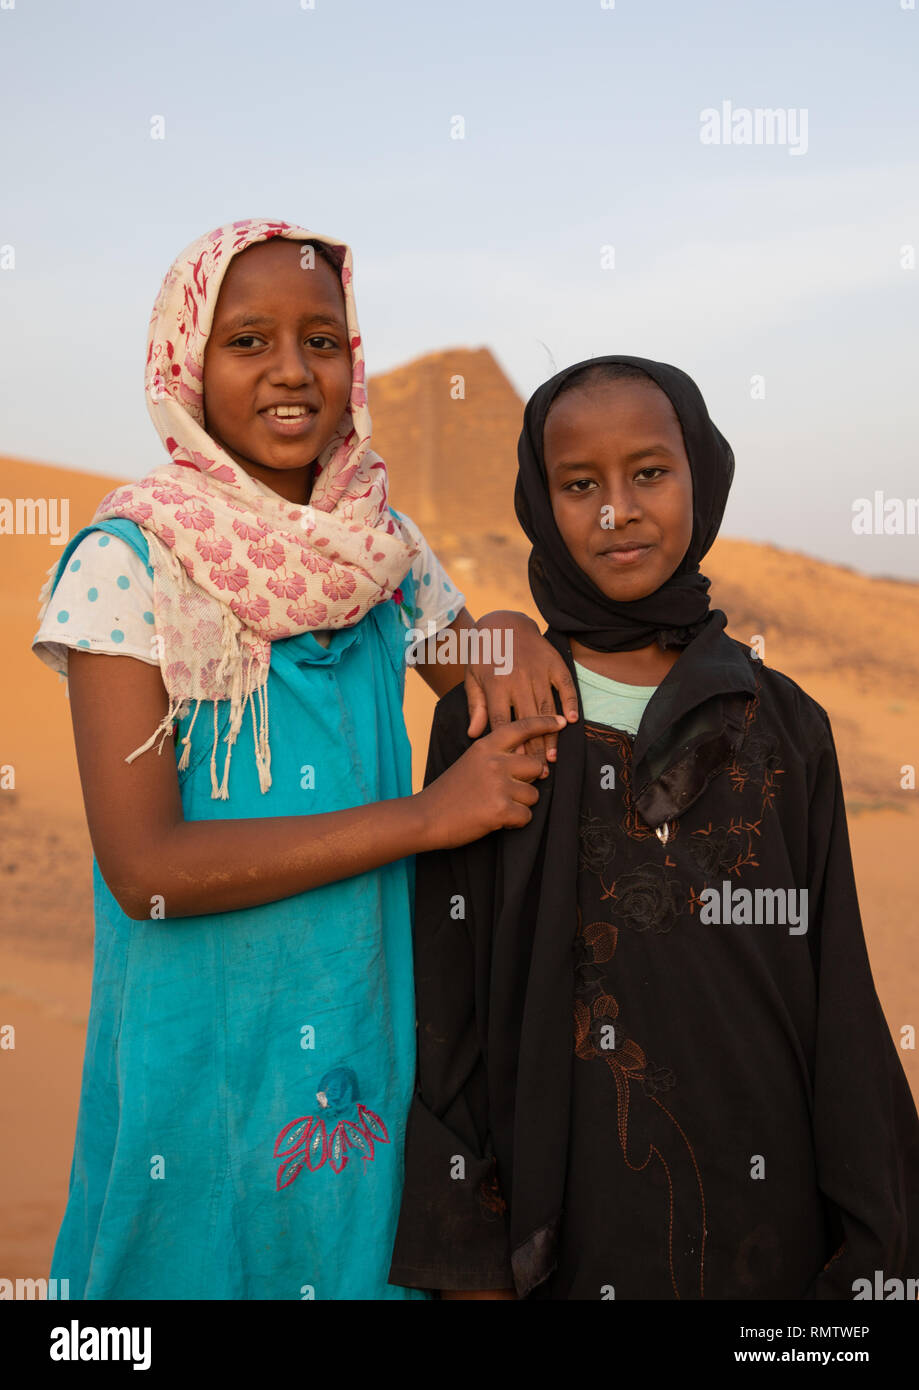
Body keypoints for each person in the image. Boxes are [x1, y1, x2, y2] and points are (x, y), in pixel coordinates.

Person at [30, 217, 577, 1300]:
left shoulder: (384, 547)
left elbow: (463, 667)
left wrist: (502, 627)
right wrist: (427, 818)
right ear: (186, 360)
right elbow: (146, 870)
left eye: (322, 339)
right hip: (197, 1061)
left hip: (365, 1052)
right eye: (248, 341)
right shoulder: (123, 562)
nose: (292, 370)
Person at [388, 355, 919, 1300]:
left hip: (769, 1216)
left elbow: (837, 994)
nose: (615, 510)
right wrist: (464, 1251)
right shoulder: (490, 721)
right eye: (578, 484)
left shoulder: (784, 724)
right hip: (562, 1220)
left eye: (649, 473)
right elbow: (447, 1006)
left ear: (701, 476)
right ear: (538, 500)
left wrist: (874, 1248)